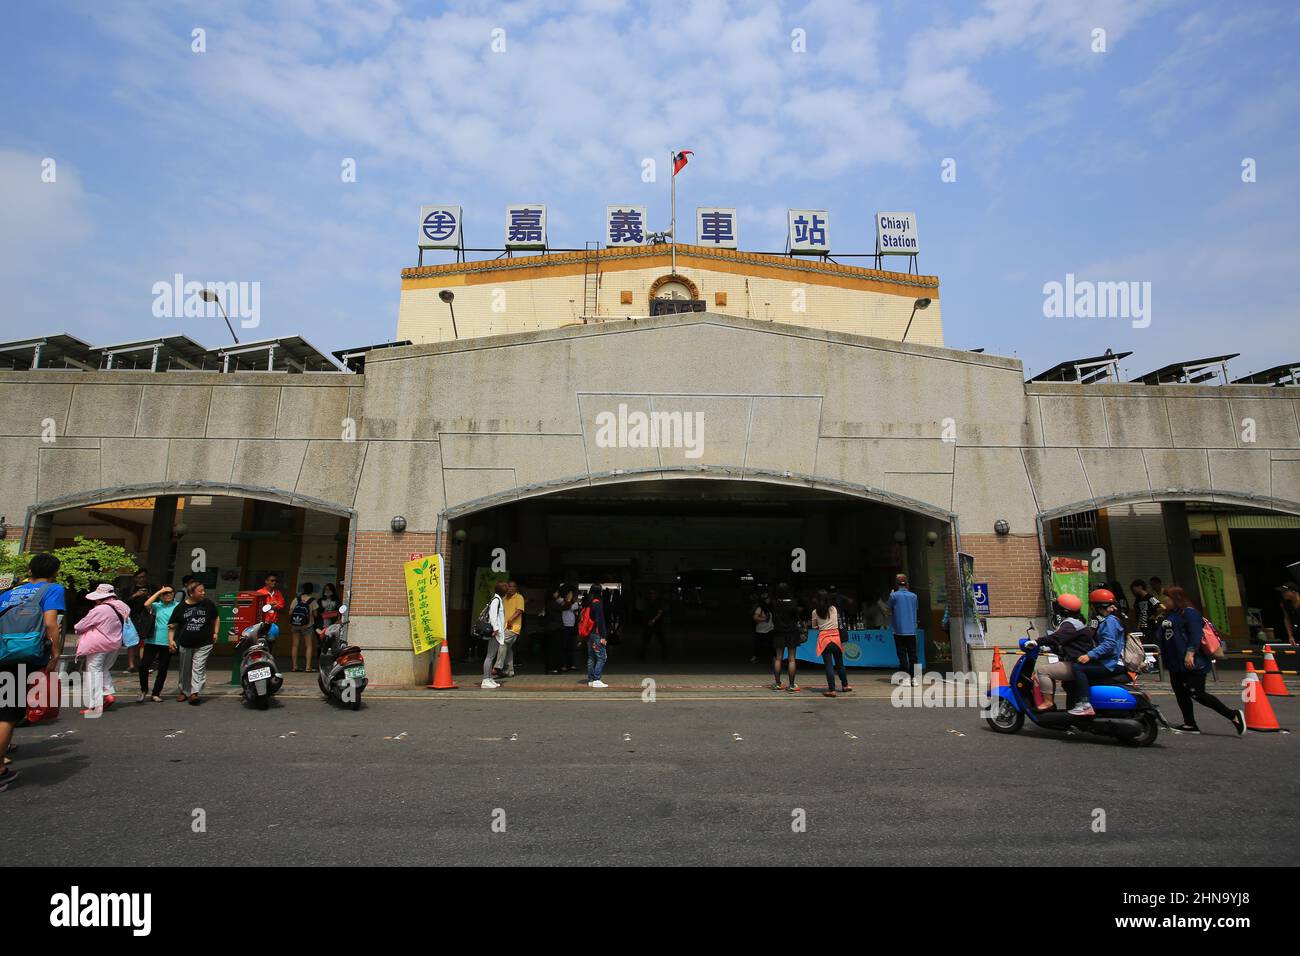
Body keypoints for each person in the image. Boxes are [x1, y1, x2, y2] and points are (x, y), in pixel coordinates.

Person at [0, 554, 65, 792]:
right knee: (8, 713)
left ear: (29, 570)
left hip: (2, 651)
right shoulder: (52, 589)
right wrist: (55, 653)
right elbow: (50, 623)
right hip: (24, 655)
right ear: (55, 572)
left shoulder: (10, 592)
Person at [1162, 586, 1245, 735]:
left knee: (1197, 693)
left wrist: (1190, 653)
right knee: (1180, 692)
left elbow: (1195, 634)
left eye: (1167, 597)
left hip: (1193, 661)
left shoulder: (1189, 613)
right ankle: (1190, 724)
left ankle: (1233, 715)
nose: (1164, 600)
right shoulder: (1170, 614)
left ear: (1176, 598)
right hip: (1175, 662)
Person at [1068, 588, 1128, 717]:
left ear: (1098, 606)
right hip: (1112, 661)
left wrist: (1089, 655)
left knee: (1078, 668)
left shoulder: (1110, 621)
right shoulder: (1116, 618)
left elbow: (1109, 644)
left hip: (1111, 663)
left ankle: (1085, 704)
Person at [74, 583, 130, 714]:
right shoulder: (123, 606)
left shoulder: (99, 610)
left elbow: (80, 626)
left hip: (99, 645)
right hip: (116, 643)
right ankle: (108, 693)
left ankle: (95, 705)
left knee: (93, 672)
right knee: (104, 669)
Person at [1033, 593, 1093, 711]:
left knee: (1042, 670)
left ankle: (1048, 702)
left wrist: (1037, 642)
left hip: (1076, 663)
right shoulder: (1076, 622)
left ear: (1064, 610)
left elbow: (1057, 638)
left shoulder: (1070, 623)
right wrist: (1046, 648)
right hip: (1076, 661)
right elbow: (1065, 643)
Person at [169, 581, 220, 705]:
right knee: (185, 668)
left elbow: (216, 617)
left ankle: (194, 692)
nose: (203, 593)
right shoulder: (180, 607)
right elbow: (172, 625)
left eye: (203, 590)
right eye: (200, 591)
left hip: (204, 642)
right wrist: (170, 640)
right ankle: (184, 691)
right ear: (191, 593)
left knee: (199, 667)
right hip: (185, 642)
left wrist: (215, 633)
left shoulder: (208, 604)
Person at [137, 584, 177, 702]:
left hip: (168, 641)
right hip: (152, 640)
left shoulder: (177, 605)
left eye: (170, 592)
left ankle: (156, 693)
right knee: (144, 665)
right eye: (165, 593)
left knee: (163, 668)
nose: (168, 595)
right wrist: (160, 591)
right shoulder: (156, 606)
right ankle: (144, 690)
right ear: (160, 596)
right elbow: (146, 604)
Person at [811, 590, 850, 698]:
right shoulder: (833, 608)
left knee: (829, 665)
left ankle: (832, 690)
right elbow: (838, 622)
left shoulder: (815, 611)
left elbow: (814, 626)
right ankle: (845, 685)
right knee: (840, 664)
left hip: (824, 640)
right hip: (836, 639)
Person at [886, 574, 920, 685]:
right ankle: (914, 678)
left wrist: (890, 595)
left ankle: (905, 678)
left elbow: (887, 611)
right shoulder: (914, 596)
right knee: (913, 654)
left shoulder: (894, 596)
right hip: (911, 629)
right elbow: (915, 609)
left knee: (902, 654)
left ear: (896, 583)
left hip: (898, 630)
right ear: (907, 583)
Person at [768, 582, 801, 692]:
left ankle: (778, 684)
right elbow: (796, 618)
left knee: (778, 658)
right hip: (792, 632)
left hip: (778, 632)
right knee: (791, 659)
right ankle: (791, 685)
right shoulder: (793, 604)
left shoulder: (773, 603)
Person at [494, 580, 524, 678]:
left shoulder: (519, 597)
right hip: (503, 627)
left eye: (513, 586)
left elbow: (519, 610)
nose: (510, 588)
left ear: (516, 588)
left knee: (502, 643)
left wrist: (510, 620)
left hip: (513, 628)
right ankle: (509, 671)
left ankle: (498, 666)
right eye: (509, 587)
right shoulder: (503, 598)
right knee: (508, 649)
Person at [481, 581, 507, 689]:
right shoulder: (496, 600)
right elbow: (493, 616)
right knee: (490, 656)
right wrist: (496, 629)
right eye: (506, 588)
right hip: (495, 633)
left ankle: (489, 678)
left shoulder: (497, 600)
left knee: (491, 656)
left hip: (497, 632)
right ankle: (485, 680)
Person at [288, 582, 318, 672]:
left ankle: (294, 666)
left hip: (295, 625)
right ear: (311, 590)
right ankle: (308, 667)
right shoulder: (312, 600)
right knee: (308, 646)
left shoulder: (296, 599)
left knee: (295, 645)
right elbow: (315, 614)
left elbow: (290, 612)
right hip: (307, 625)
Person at [125, 569, 150, 674]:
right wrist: (135, 595)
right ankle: (131, 665)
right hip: (132, 617)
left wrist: (148, 596)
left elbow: (157, 600)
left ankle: (143, 664)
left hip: (146, 617)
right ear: (135, 578)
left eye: (143, 577)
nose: (141, 579)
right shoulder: (129, 589)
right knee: (131, 642)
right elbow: (124, 602)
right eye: (139, 577)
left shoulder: (151, 588)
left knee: (143, 642)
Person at [584, 587, 609, 688]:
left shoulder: (588, 603)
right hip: (596, 634)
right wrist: (603, 636)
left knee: (591, 657)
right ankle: (596, 679)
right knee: (602, 657)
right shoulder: (597, 604)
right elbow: (600, 621)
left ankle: (590, 680)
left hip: (589, 634)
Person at [1130, 579, 1164, 643]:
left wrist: (1155, 615)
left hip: (1151, 626)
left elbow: (1162, 607)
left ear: (1140, 587)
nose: (1134, 591)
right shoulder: (1138, 599)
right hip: (1141, 627)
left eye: (1135, 589)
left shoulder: (1150, 597)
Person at [641, 588, 669, 661]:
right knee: (646, 640)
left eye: (653, 594)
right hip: (649, 624)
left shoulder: (659, 602)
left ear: (656, 595)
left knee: (661, 640)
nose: (652, 595)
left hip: (657, 624)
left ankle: (665, 655)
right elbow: (646, 612)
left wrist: (653, 620)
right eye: (650, 594)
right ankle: (642, 655)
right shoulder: (648, 602)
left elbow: (660, 612)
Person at [751, 593, 773, 664]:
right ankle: (755, 657)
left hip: (769, 629)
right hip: (761, 630)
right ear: (765, 600)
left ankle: (773, 657)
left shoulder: (769, 608)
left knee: (771, 644)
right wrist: (764, 619)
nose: (769, 600)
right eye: (768, 599)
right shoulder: (760, 608)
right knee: (759, 645)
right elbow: (755, 617)